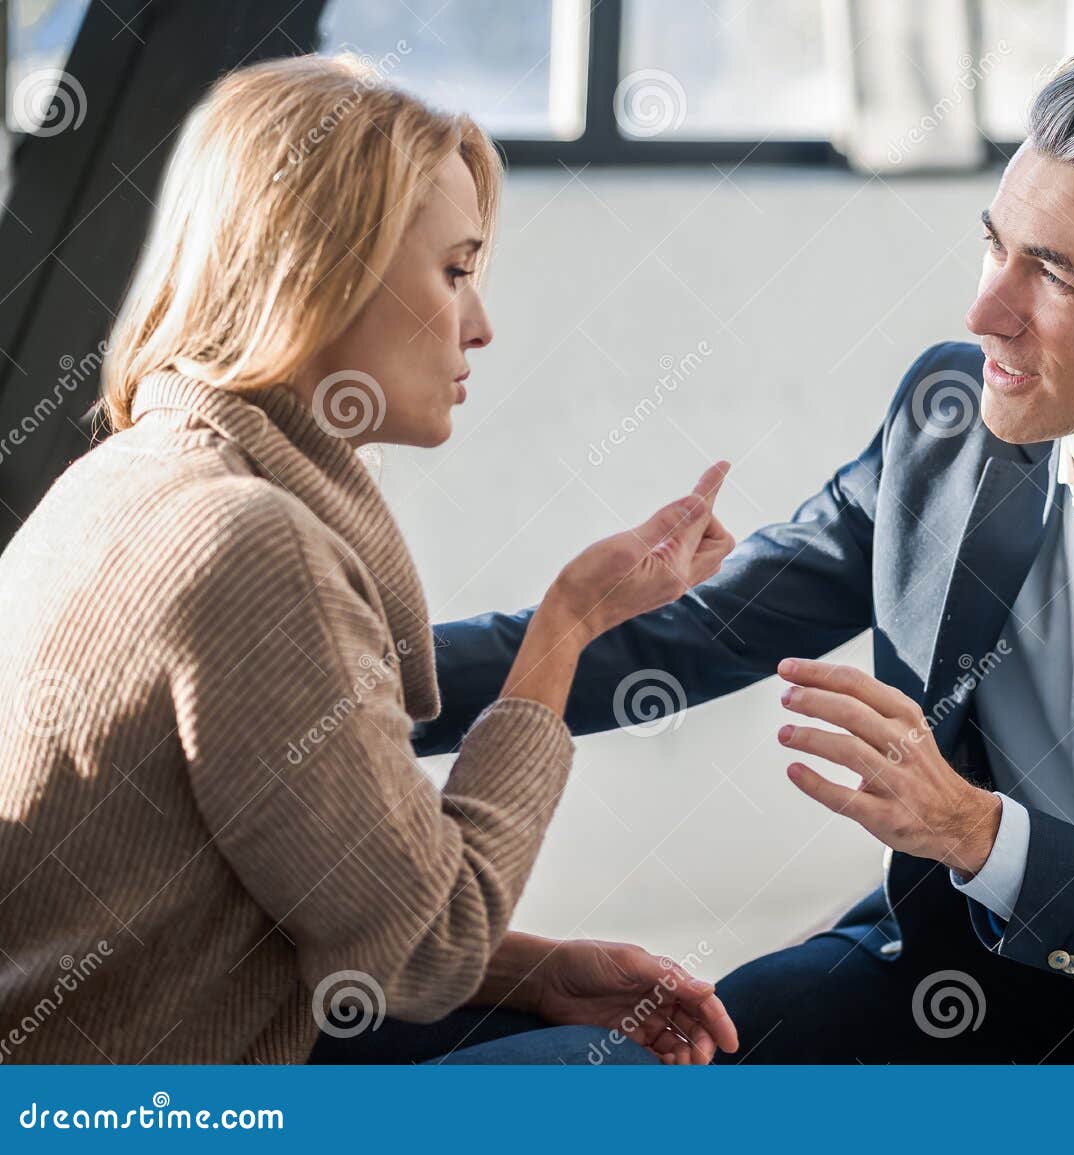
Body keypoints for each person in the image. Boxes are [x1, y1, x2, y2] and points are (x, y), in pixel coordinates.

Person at [416, 46, 1074, 1064]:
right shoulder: (949, 420)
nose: (985, 312)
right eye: (994, 245)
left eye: (1053, 275)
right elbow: (698, 634)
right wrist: (358, 687)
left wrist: (973, 831)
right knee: (706, 1060)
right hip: (966, 962)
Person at [0, 55, 738, 1066]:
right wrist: (566, 624)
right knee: (602, 1074)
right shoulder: (253, 546)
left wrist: (532, 970)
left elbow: (314, 897)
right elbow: (427, 950)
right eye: (455, 269)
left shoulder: (125, 477)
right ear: (321, 269)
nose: (480, 326)